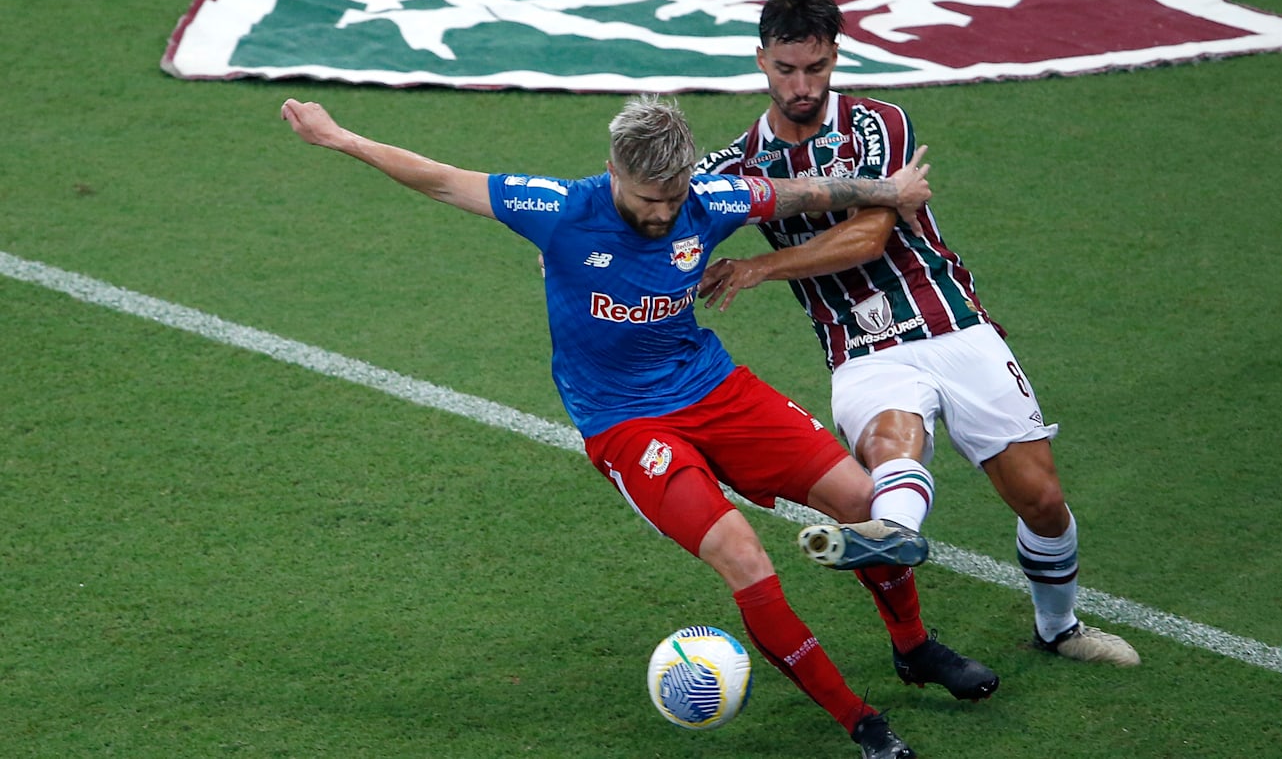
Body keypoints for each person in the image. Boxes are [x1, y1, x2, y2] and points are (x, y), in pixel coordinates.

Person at [281, 94, 999, 759]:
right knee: (746, 558)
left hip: (712, 387)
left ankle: (913, 647)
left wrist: (889, 192)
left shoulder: (707, 199)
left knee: (867, 505)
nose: (664, 213)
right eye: (650, 199)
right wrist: (338, 136)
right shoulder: (558, 208)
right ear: (614, 172)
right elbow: (439, 178)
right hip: (626, 424)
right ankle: (863, 724)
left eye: (674, 196)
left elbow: (805, 193)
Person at [694, 0, 1140, 668]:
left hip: (953, 324)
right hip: (861, 348)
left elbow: (869, 236)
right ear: (761, 62)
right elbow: (660, 211)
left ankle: (1059, 627)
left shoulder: (877, 124)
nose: (802, 85)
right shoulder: (736, 166)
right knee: (894, 442)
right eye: (787, 70)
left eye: (815, 68)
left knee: (1042, 499)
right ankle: (891, 533)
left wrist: (758, 266)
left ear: (835, 56)